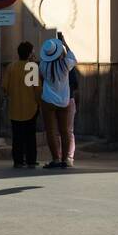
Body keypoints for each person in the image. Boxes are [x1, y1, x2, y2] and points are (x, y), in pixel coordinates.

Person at [39, 35, 77, 169]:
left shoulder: (43, 65)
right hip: (64, 101)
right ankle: (65, 159)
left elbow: (41, 77)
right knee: (65, 131)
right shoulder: (66, 64)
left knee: (51, 131)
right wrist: (64, 44)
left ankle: (55, 158)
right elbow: (73, 57)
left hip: (48, 100)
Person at [4, 41, 41, 168]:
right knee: (30, 136)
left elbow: (5, 87)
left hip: (14, 108)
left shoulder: (11, 67)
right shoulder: (32, 67)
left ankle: (18, 160)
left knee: (17, 136)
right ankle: (31, 160)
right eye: (33, 51)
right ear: (30, 53)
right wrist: (39, 104)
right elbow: (37, 89)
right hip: (31, 107)